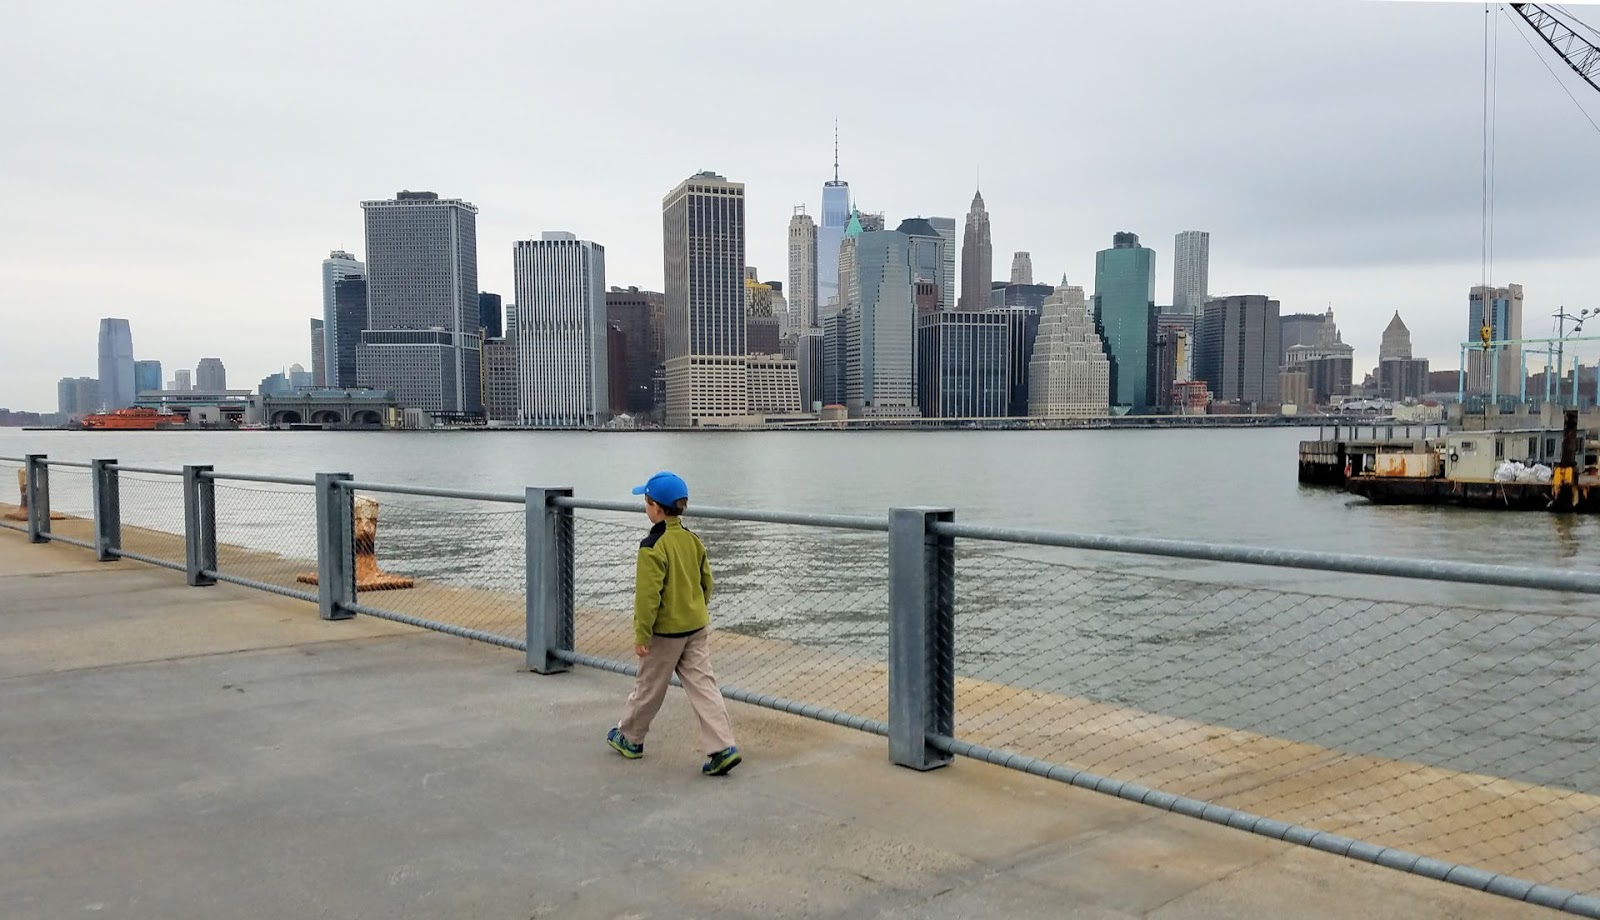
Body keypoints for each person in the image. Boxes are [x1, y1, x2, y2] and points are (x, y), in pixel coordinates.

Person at [606, 471, 741, 776]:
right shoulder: (693, 540)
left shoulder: (652, 546)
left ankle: (630, 738)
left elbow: (647, 597)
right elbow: (707, 581)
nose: (646, 507)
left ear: (655, 507)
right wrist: (695, 607)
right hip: (695, 628)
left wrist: (642, 633)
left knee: (649, 687)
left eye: (646, 501)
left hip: (665, 633)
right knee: (704, 687)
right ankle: (723, 747)